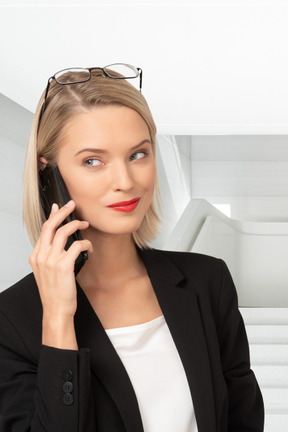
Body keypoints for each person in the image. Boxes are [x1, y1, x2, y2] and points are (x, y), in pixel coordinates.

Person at [0, 63, 264, 432]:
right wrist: (58, 319)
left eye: (138, 154)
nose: (124, 181)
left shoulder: (208, 281)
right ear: (50, 175)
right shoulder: (13, 319)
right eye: (93, 161)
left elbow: (243, 417)